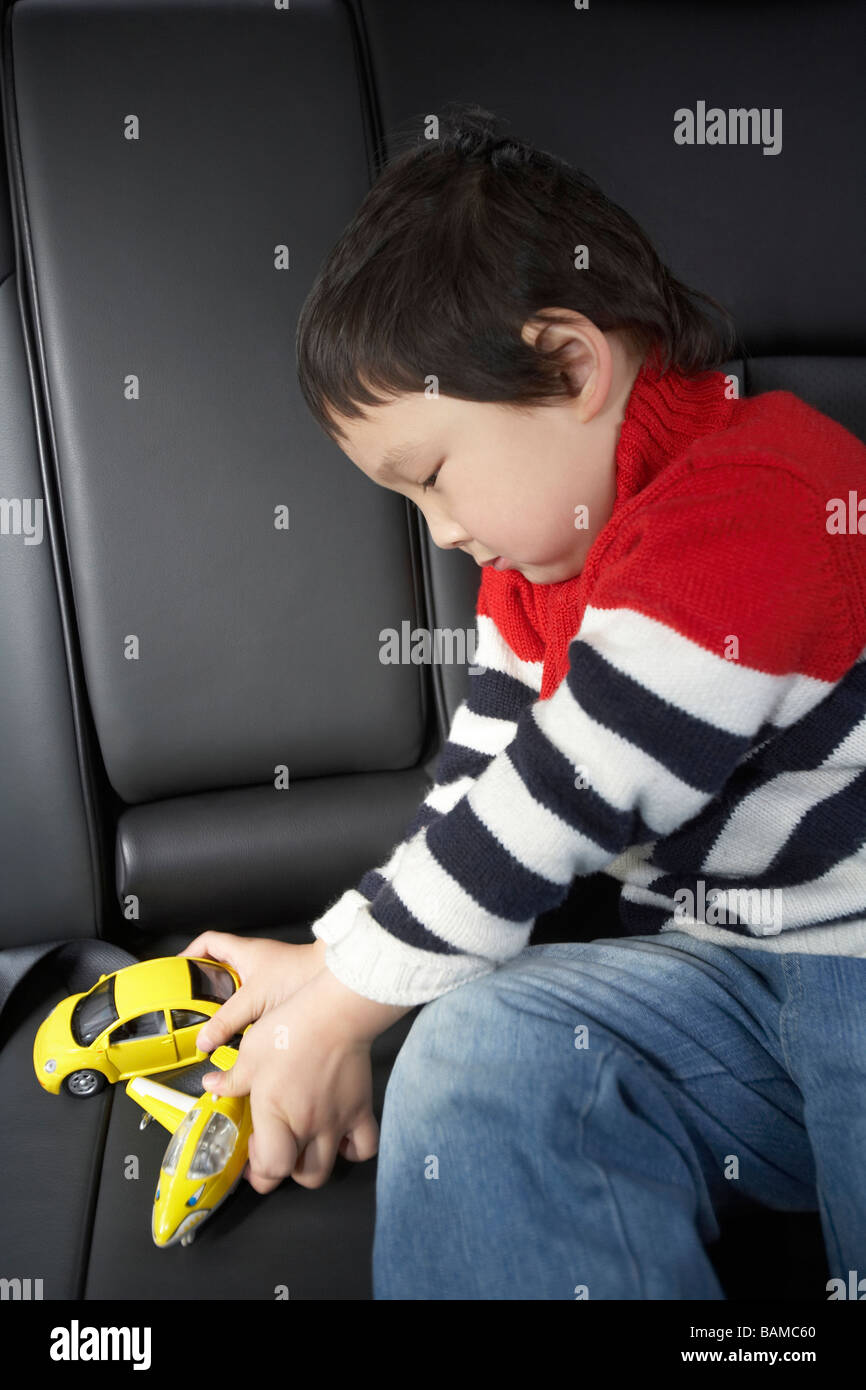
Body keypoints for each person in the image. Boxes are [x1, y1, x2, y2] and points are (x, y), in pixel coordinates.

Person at [179, 103, 866, 1299]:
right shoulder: (531, 574)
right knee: (482, 1047)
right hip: (720, 986)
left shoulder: (760, 498)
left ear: (568, 362)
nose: (440, 528)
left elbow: (567, 790)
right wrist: (325, 961)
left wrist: (340, 1013)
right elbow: (477, 798)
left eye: (433, 474)